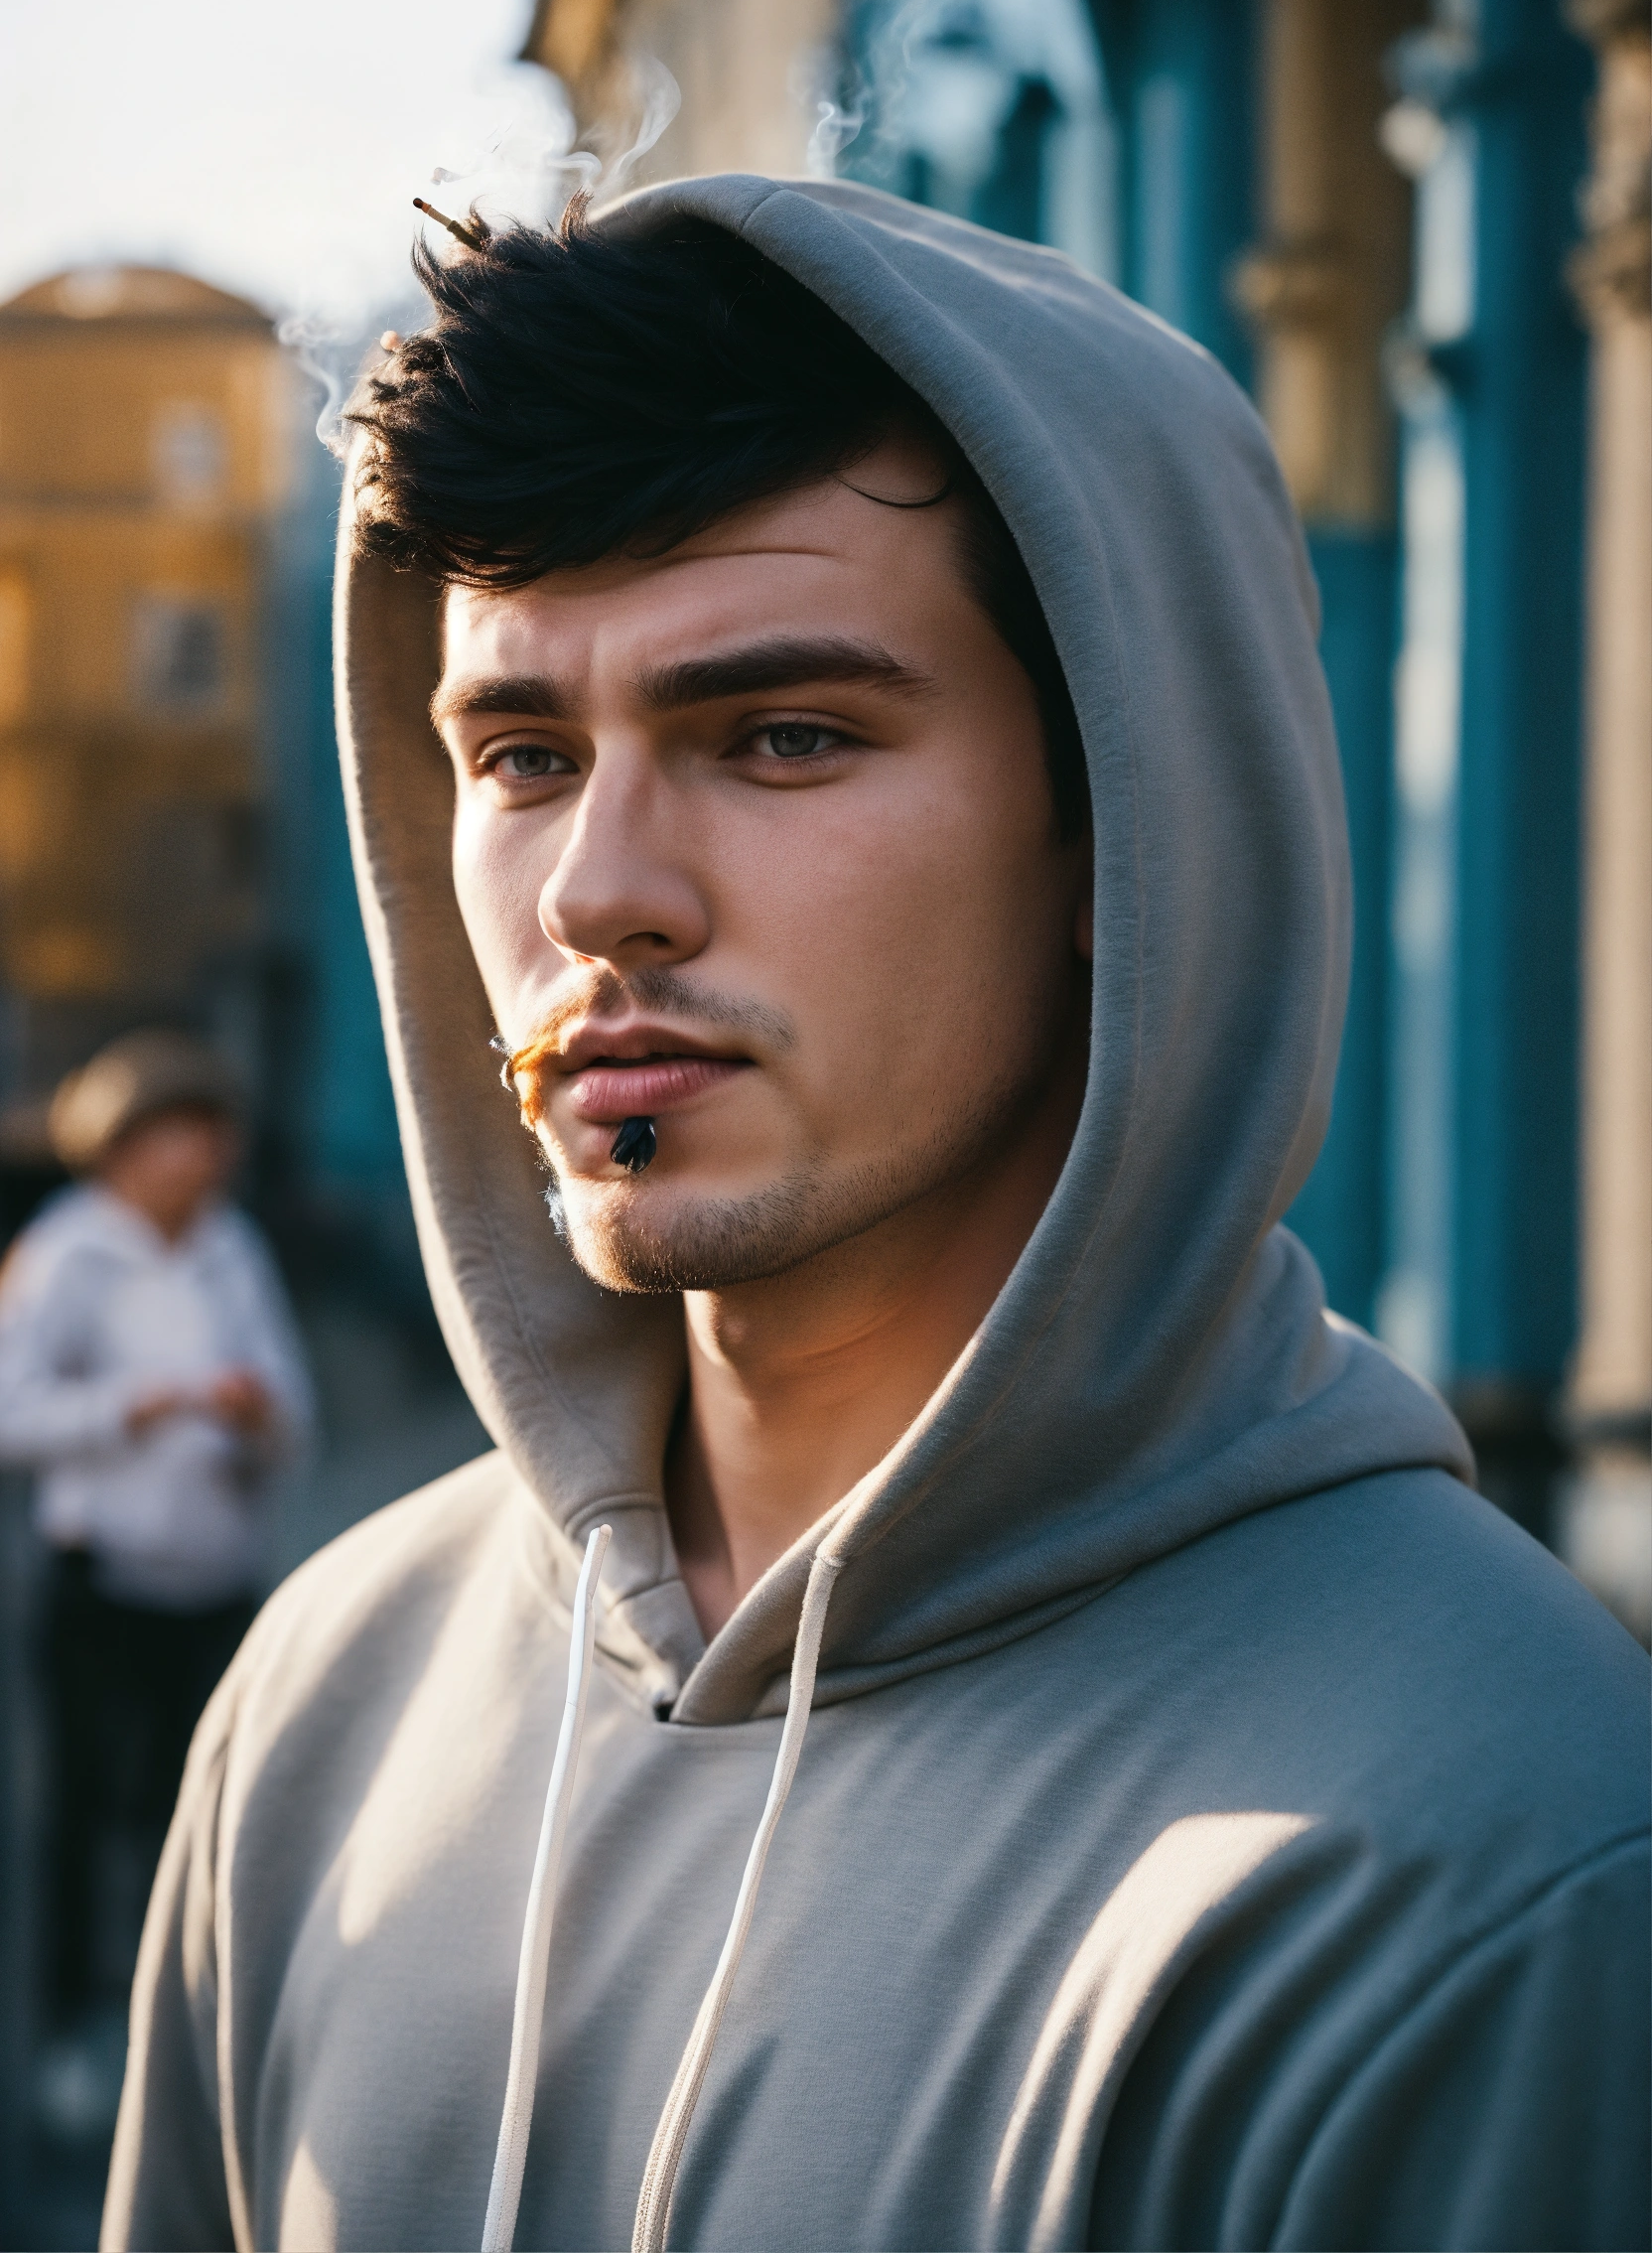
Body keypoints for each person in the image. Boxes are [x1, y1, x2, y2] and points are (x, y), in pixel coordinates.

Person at [105, 183, 1647, 2252]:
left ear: (1128, 826)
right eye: (525, 750)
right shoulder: (330, 1696)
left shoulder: (1495, 1853)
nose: (593, 896)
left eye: (784, 736)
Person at [0, 1029, 313, 2040]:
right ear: (124, 1146)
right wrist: (135, 1407)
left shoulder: (233, 1249)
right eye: (180, 1133)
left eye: (212, 1133)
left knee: (197, 1813)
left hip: (216, 1580)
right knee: (85, 1811)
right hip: (101, 1582)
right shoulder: (64, 1257)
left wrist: (254, 1421)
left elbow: (295, 1415)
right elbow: (11, 1414)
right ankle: (73, 2033)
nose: (204, 1157)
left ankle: (182, 2017)